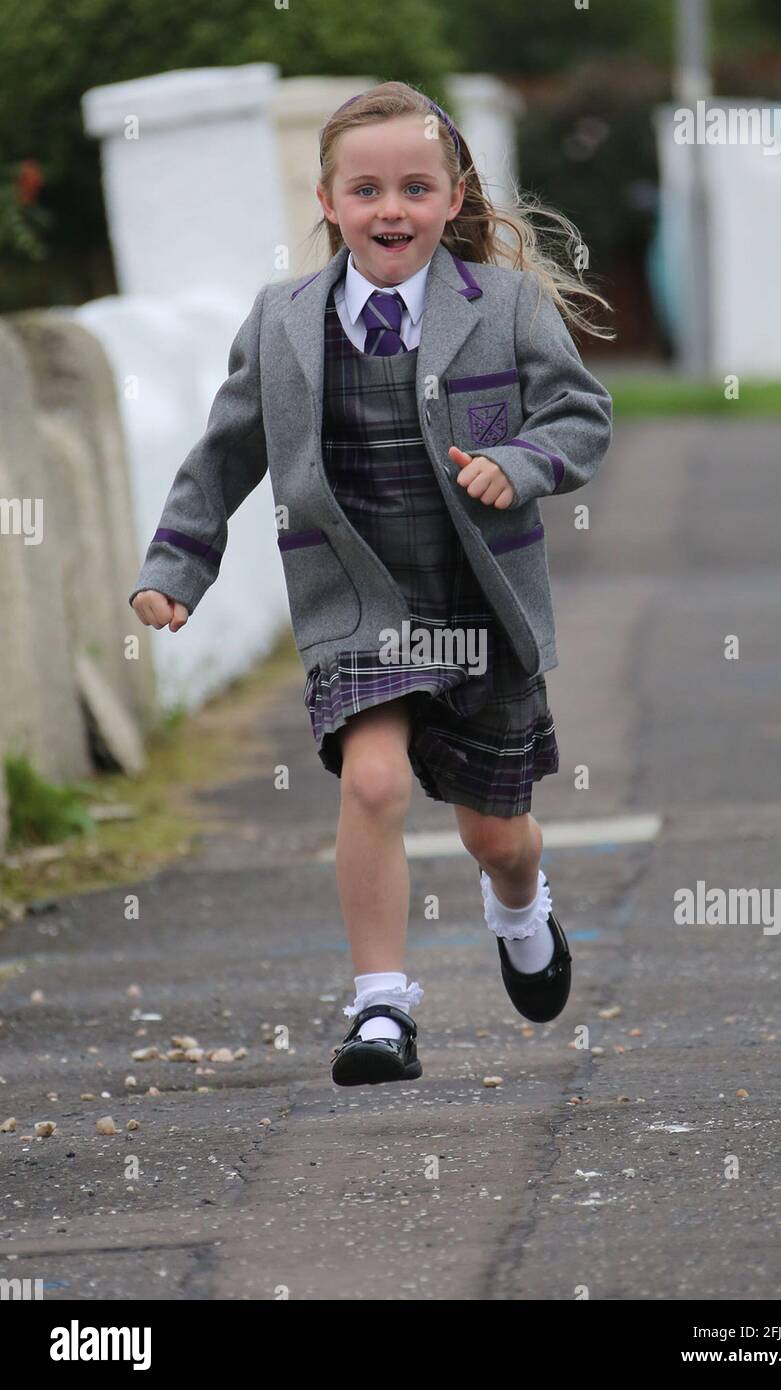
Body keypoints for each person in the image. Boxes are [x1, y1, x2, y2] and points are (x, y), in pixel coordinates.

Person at [129, 80, 614, 1089]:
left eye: (413, 187)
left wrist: (519, 463)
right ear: (325, 200)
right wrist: (176, 566)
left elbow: (580, 419)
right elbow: (223, 454)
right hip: (358, 604)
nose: (389, 209)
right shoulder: (282, 323)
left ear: (449, 196)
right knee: (376, 779)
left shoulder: (505, 306)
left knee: (496, 833)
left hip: (478, 606)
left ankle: (518, 905)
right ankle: (381, 1008)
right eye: (365, 189)